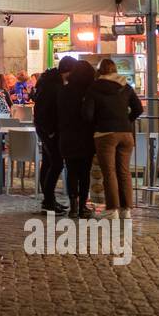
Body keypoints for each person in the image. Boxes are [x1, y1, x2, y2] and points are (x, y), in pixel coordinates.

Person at [85, 59, 143, 220]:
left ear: (100, 71)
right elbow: (139, 108)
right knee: (124, 171)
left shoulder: (94, 88)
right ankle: (127, 209)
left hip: (105, 135)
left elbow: (87, 114)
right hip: (126, 134)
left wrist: (98, 122)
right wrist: (126, 120)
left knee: (109, 172)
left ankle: (113, 209)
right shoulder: (126, 86)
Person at [58, 59, 98, 219]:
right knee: (84, 172)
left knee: (71, 171)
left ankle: (73, 206)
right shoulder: (90, 91)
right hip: (86, 136)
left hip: (67, 135)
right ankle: (82, 207)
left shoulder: (64, 90)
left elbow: (59, 113)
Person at [32, 58, 72, 214]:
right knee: (56, 163)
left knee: (49, 163)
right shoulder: (53, 85)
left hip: (45, 128)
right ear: (67, 71)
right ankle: (48, 202)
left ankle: (49, 200)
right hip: (48, 129)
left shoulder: (49, 81)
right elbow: (45, 109)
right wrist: (50, 131)